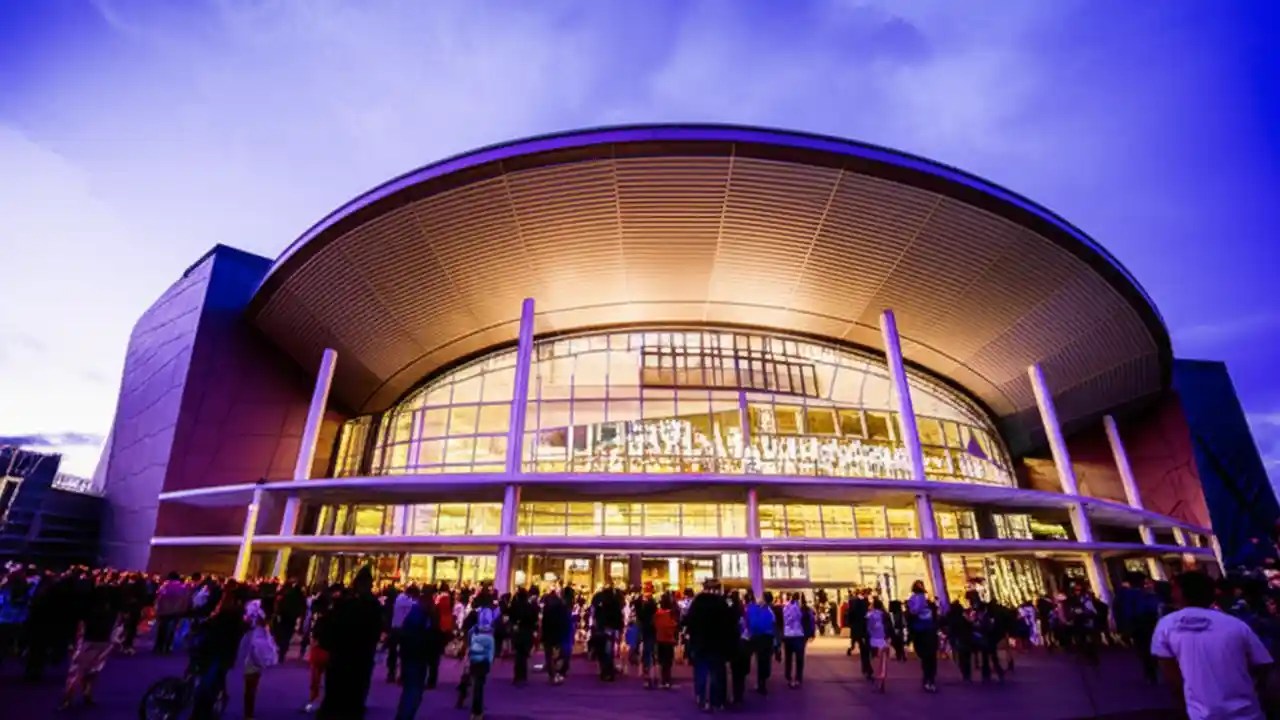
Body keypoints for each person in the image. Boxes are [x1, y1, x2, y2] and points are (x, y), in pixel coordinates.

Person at [1153, 571, 1272, 720]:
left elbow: (1170, 675)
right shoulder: (1235, 624)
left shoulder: (1166, 626)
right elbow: (1263, 665)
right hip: (1247, 712)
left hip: (1201, 715)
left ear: (1179, 593)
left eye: (1174, 588)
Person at [318, 567, 384, 720]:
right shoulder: (373, 606)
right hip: (360, 659)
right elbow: (375, 632)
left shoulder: (345, 604)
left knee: (335, 696)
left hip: (341, 657)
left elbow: (328, 628)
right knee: (355, 697)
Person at [58, 579, 120, 709]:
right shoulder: (113, 612)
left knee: (76, 671)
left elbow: (80, 629)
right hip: (104, 643)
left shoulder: (87, 611)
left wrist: (73, 643)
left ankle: (68, 699)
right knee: (94, 671)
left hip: (88, 641)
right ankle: (88, 694)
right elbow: (116, 629)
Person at [191, 582, 247, 720]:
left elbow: (217, 627)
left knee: (207, 683)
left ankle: (202, 712)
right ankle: (208, 709)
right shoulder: (234, 611)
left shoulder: (229, 611)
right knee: (213, 680)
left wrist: (205, 625)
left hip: (216, 650)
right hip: (221, 651)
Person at [686, 577, 733, 711]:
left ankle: (701, 698)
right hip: (717, 643)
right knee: (716, 672)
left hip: (700, 642)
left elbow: (690, 621)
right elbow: (728, 624)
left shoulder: (697, 602)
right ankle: (716, 700)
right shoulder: (721, 603)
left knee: (701, 671)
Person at [394, 586, 435, 720]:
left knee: (411, 691)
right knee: (413, 692)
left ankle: (404, 716)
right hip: (416, 657)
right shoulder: (419, 615)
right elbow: (418, 637)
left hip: (413, 656)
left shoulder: (418, 613)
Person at [457, 594, 498, 720]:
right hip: (486, 651)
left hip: (473, 649)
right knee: (479, 681)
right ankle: (476, 710)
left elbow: (466, 629)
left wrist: (465, 645)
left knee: (469, 675)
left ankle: (464, 698)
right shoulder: (492, 615)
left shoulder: (475, 614)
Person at [240, 599, 280, 720]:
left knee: (250, 686)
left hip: (252, 656)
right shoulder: (262, 628)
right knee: (252, 686)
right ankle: (248, 713)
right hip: (255, 656)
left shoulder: (255, 627)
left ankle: (248, 713)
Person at [906, 580, 940, 693]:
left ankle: (928, 680)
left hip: (923, 634)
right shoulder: (929, 605)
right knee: (930, 659)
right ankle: (929, 680)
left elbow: (911, 617)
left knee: (927, 659)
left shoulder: (915, 603)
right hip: (927, 634)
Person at [153, 571, 190, 655]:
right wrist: (182, 610)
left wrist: (157, 610)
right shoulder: (183, 587)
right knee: (171, 630)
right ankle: (167, 648)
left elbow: (159, 597)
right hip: (176, 612)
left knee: (161, 630)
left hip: (164, 612)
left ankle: (158, 647)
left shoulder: (165, 586)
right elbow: (185, 601)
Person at [746, 591, 776, 695]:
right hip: (767, 638)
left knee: (760, 660)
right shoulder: (770, 611)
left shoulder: (754, 608)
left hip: (758, 637)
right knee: (765, 660)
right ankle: (762, 681)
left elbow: (751, 622)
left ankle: (761, 682)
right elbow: (774, 625)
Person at [386, 584, 417, 683]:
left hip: (395, 627)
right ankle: (402, 675)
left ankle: (391, 673)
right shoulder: (410, 602)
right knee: (404, 653)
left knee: (393, 652)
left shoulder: (398, 599)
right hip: (404, 629)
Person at [540, 587, 570, 685]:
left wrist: (542, 634)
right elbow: (564, 621)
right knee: (560, 652)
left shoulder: (547, 609)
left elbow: (544, 623)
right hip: (559, 632)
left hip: (549, 633)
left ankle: (552, 674)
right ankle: (558, 672)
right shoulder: (562, 607)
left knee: (549, 654)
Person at [509, 586, 538, 685]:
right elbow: (534, 619)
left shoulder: (515, 606)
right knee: (524, 655)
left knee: (518, 654)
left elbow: (511, 617)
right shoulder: (530, 607)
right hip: (527, 632)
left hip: (518, 632)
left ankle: (518, 676)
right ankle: (523, 675)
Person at [654, 592, 679, 689]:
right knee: (668, 661)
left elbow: (655, 625)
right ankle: (667, 680)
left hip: (660, 639)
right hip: (669, 640)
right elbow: (674, 626)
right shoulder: (671, 614)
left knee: (662, 661)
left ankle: (663, 680)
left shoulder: (657, 614)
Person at [782, 593, 806, 688]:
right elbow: (803, 619)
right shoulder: (801, 608)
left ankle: (788, 676)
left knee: (788, 658)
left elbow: (785, 619)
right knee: (799, 659)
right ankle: (798, 678)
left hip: (788, 635)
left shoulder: (786, 607)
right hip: (799, 635)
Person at [867, 597, 891, 692]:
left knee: (876, 659)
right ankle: (882, 678)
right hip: (884, 639)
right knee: (883, 660)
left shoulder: (871, 615)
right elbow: (889, 626)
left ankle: (879, 678)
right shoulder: (885, 615)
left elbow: (869, 628)